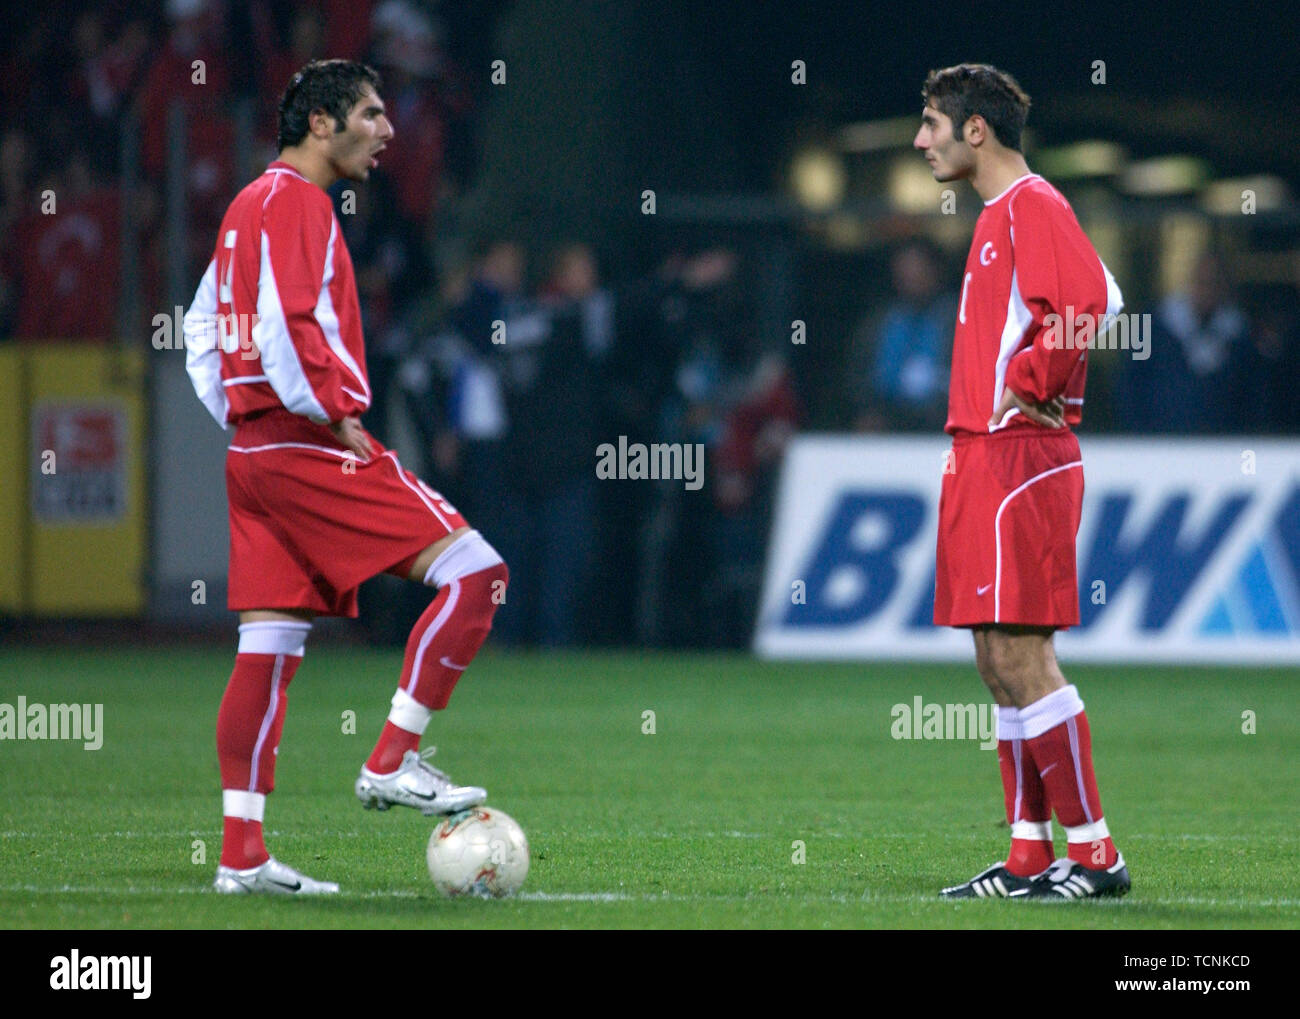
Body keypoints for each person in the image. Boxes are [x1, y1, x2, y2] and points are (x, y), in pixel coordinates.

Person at [182, 60, 508, 895]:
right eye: (369, 112)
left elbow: (200, 330)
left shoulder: (244, 205)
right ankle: (394, 758)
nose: (388, 129)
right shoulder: (301, 202)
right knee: (477, 574)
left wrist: (242, 414)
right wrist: (329, 412)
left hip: (255, 452)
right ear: (320, 124)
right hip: (309, 441)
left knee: (267, 649)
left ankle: (242, 854)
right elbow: (290, 324)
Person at [913, 64, 1129, 900]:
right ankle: (1030, 853)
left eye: (932, 122)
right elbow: (1102, 287)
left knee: (1025, 653)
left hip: (1020, 460)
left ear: (976, 131)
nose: (922, 139)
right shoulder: (1003, 215)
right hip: (981, 456)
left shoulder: (1032, 203)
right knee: (994, 659)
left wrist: (1032, 379)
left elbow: (1088, 300)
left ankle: (1098, 853)